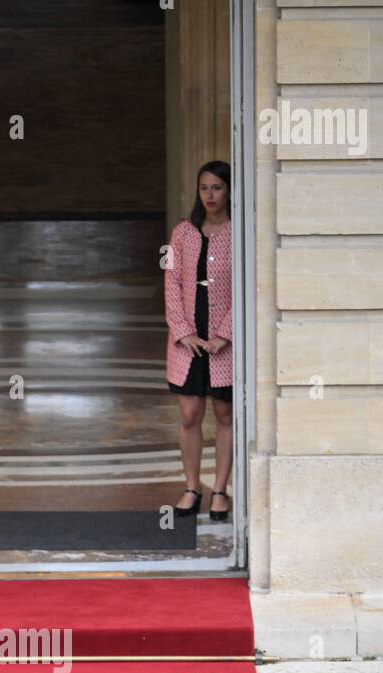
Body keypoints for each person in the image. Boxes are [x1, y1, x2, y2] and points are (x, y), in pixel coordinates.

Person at [165, 161, 233, 522]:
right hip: (188, 343)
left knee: (225, 414)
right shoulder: (183, 233)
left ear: (229, 191)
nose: (210, 195)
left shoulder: (239, 233)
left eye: (217, 188)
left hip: (223, 343)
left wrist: (225, 333)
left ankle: (220, 490)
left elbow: (248, 285)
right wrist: (182, 330)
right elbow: (172, 283)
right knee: (190, 413)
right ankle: (192, 487)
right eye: (204, 188)